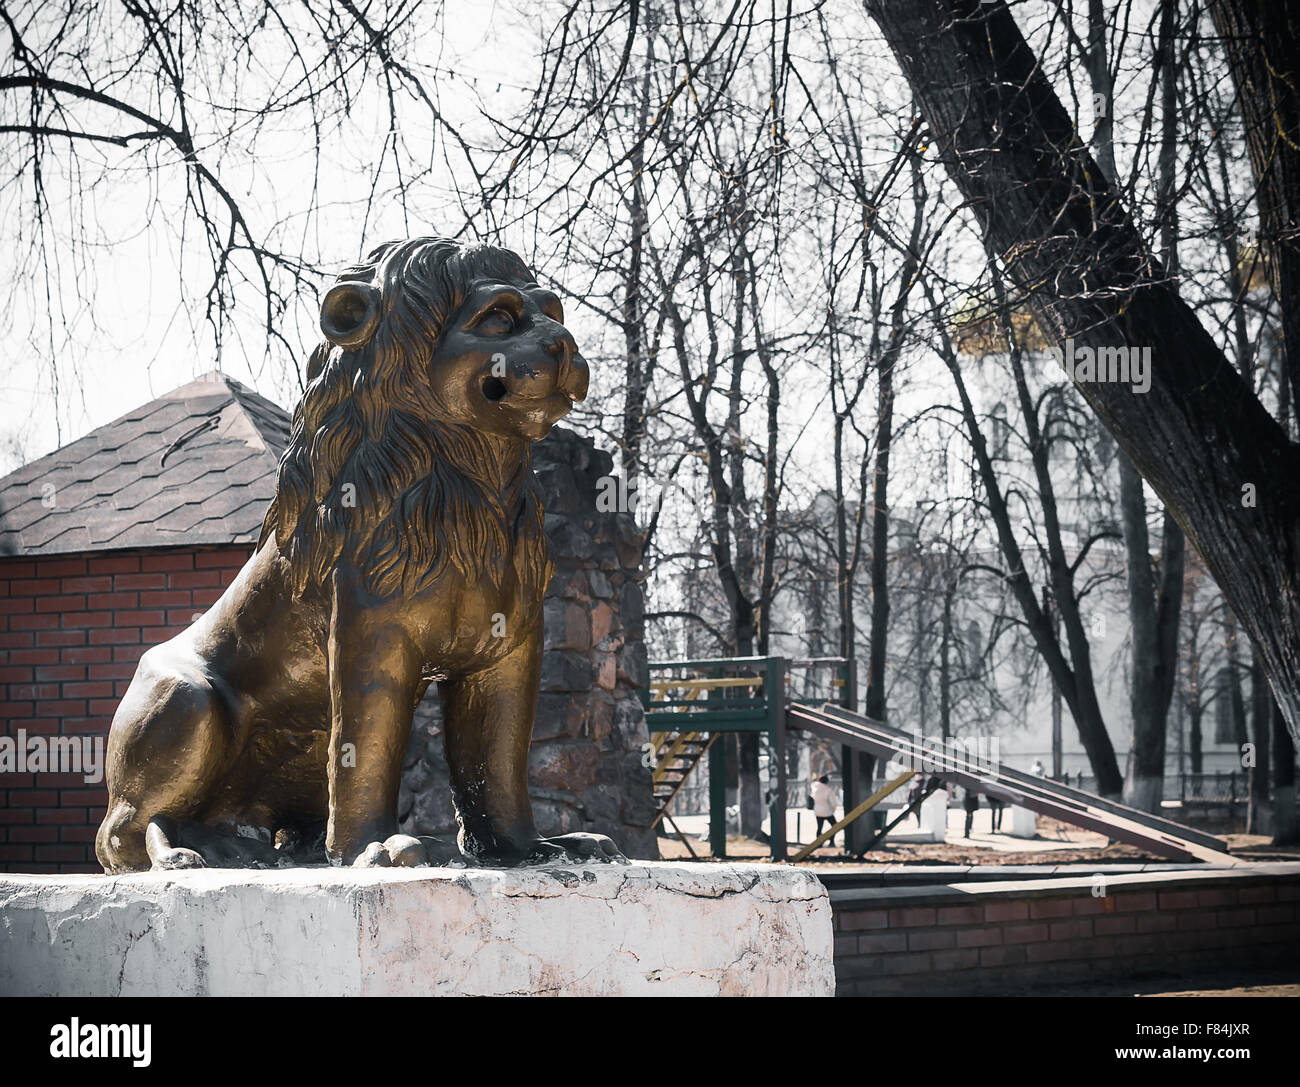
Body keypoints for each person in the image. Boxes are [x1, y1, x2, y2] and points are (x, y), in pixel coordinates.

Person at [810, 775, 838, 846]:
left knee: (819, 827)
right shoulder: (828, 790)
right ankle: (831, 841)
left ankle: (819, 843)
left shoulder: (814, 788)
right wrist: (833, 809)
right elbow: (833, 803)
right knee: (835, 825)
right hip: (827, 812)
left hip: (817, 811)